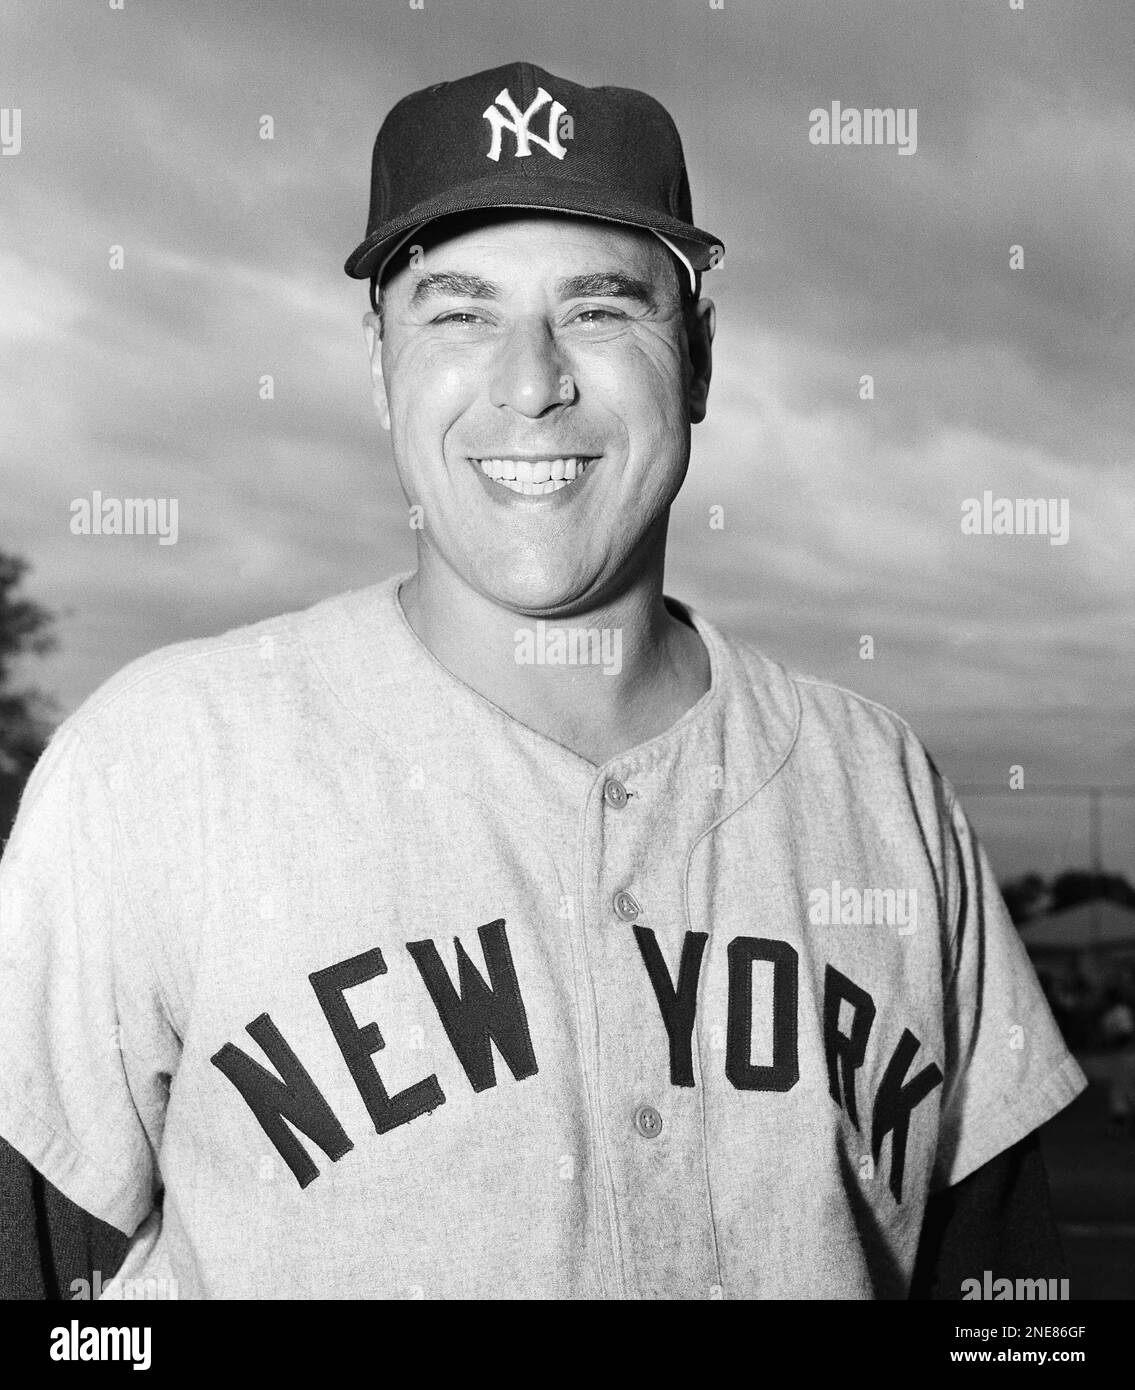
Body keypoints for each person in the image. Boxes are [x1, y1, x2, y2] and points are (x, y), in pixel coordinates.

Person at [0, 61, 1085, 1300]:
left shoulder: (880, 789)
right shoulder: (155, 768)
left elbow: (1012, 1318)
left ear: (701, 362)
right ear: (378, 368)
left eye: (600, 308)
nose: (531, 382)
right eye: (459, 312)